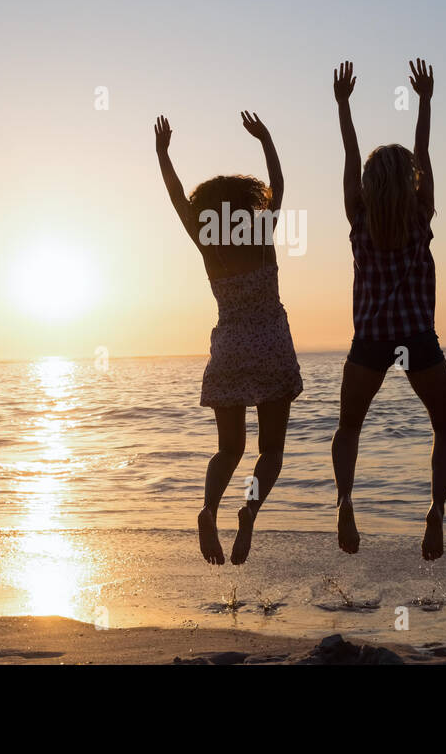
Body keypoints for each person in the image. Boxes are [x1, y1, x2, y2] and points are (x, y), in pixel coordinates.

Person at [154, 112, 303, 565]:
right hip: (272, 347)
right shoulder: (261, 234)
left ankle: (208, 510)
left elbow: (178, 197)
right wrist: (267, 137)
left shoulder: (207, 241)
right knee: (271, 450)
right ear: (247, 204)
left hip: (230, 351)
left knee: (229, 449)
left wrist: (163, 154)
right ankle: (250, 511)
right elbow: (279, 181)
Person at [330, 59, 446, 561]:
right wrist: (425, 100)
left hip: (369, 340)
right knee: (444, 429)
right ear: (411, 181)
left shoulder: (357, 215)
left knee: (349, 428)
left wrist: (343, 104)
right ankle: (436, 511)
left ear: (367, 184)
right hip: (418, 338)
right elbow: (423, 152)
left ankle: (345, 500)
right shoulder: (419, 213)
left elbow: (349, 151)